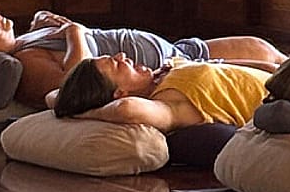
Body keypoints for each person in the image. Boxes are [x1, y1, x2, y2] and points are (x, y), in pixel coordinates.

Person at [0, 8, 286, 108]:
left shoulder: (22, 42)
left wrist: (41, 23)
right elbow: (75, 83)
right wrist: (75, 32)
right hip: (171, 63)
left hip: (173, 50)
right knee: (266, 58)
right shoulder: (26, 66)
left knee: (264, 50)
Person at [53, 52, 273, 132]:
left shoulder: (162, 73)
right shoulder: (168, 103)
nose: (123, 56)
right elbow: (127, 109)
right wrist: (84, 113)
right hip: (289, 100)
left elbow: (53, 97)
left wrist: (275, 68)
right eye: (117, 64)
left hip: (282, 75)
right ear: (120, 93)